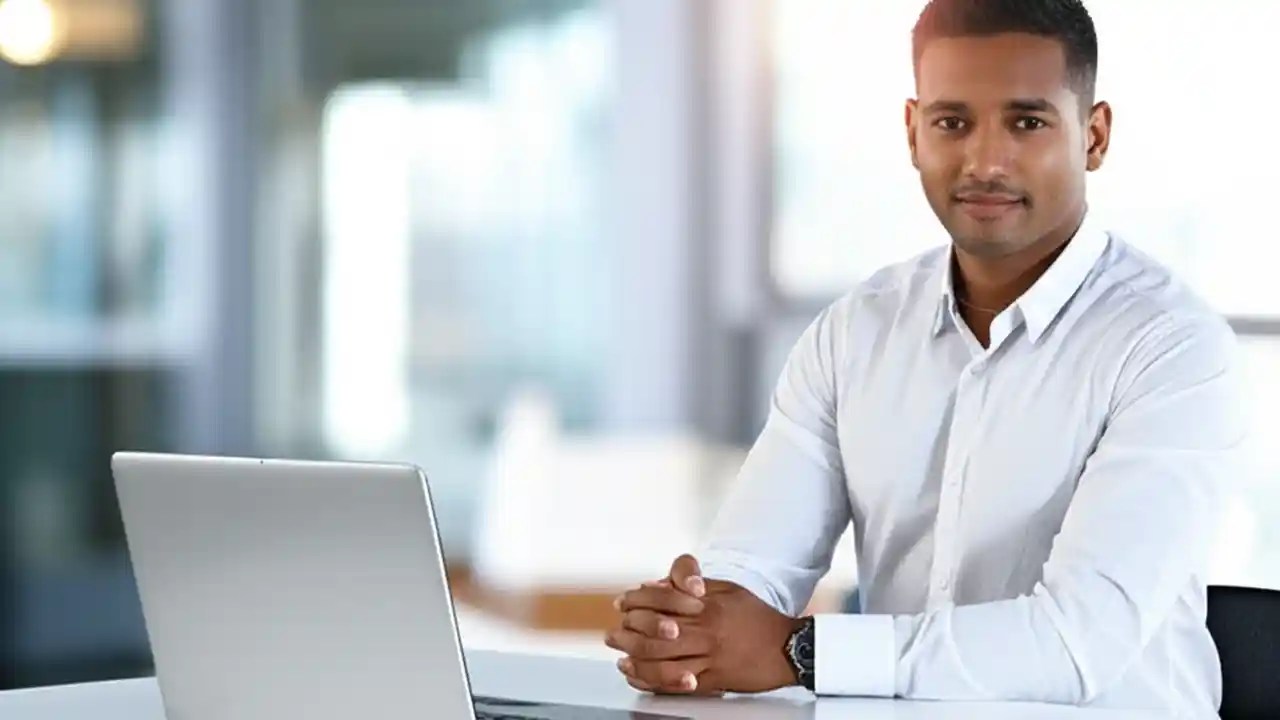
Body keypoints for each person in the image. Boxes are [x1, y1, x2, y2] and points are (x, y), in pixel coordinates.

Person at [603, 0, 1247, 716]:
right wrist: (688, 633)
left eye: (1027, 122)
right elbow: (751, 568)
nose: (985, 160)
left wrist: (797, 652)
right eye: (952, 122)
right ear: (913, 132)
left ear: (1093, 136)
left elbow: (1076, 644)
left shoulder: (1172, 347)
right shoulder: (856, 332)